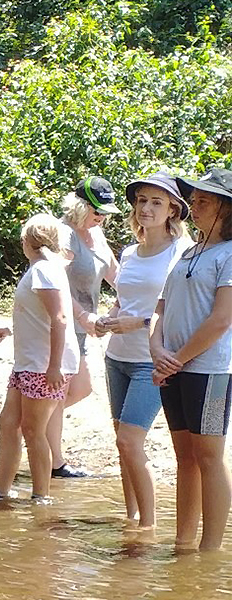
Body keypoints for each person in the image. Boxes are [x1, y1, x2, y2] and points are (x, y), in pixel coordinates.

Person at [99, 173, 190, 529]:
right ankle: (131, 519)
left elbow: (172, 309)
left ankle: (148, 529)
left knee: (129, 440)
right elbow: (124, 299)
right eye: (141, 201)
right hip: (116, 356)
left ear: (173, 210)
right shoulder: (129, 252)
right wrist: (107, 318)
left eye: (156, 202)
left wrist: (134, 324)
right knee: (122, 444)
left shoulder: (181, 252)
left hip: (150, 361)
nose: (146, 208)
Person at [0, 213, 79, 503]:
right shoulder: (42, 269)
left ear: (27, 240)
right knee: (9, 421)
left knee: (33, 430)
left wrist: (54, 366)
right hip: (29, 362)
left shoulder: (44, 269)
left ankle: (41, 497)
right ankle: (0, 490)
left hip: (43, 366)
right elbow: (40, 317)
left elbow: (60, 319)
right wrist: (8, 329)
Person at [154, 169, 232, 551]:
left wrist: (177, 360)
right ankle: (183, 546)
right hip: (174, 367)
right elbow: (163, 307)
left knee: (209, 457)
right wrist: (157, 348)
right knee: (184, 456)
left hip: (211, 371)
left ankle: (210, 551)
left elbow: (221, 319)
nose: (193, 206)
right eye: (194, 199)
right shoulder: (189, 251)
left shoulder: (230, 254)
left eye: (203, 201)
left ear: (225, 208)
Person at [52, 178, 123, 479]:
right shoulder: (64, 235)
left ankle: (32, 426)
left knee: (77, 390)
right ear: (80, 206)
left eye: (105, 213)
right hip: (61, 324)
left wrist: (137, 301)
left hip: (81, 328)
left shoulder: (97, 234)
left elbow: (116, 275)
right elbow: (53, 283)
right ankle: (55, 463)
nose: (102, 218)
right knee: (63, 391)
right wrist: (84, 317)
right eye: (97, 212)